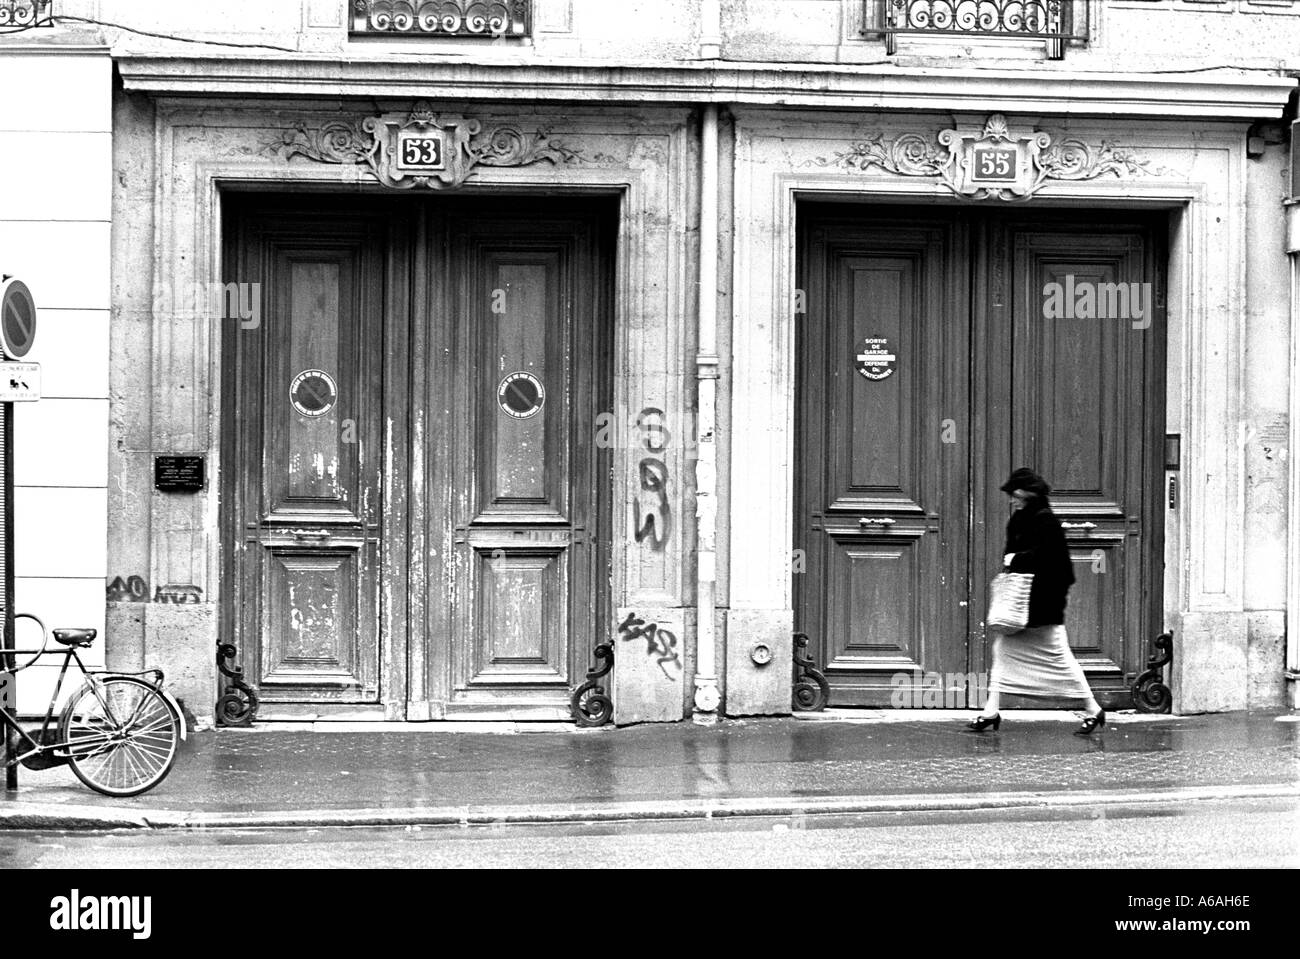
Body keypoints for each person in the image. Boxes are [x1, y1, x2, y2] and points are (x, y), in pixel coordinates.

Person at [967, 467, 1106, 736]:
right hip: (1023, 606)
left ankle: (1093, 708)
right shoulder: (1019, 520)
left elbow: (1058, 567)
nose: (1012, 499)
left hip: (1043, 607)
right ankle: (990, 711)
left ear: (1029, 494)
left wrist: (1016, 560)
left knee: (1061, 660)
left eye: (1015, 494)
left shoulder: (1047, 522)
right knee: (1002, 653)